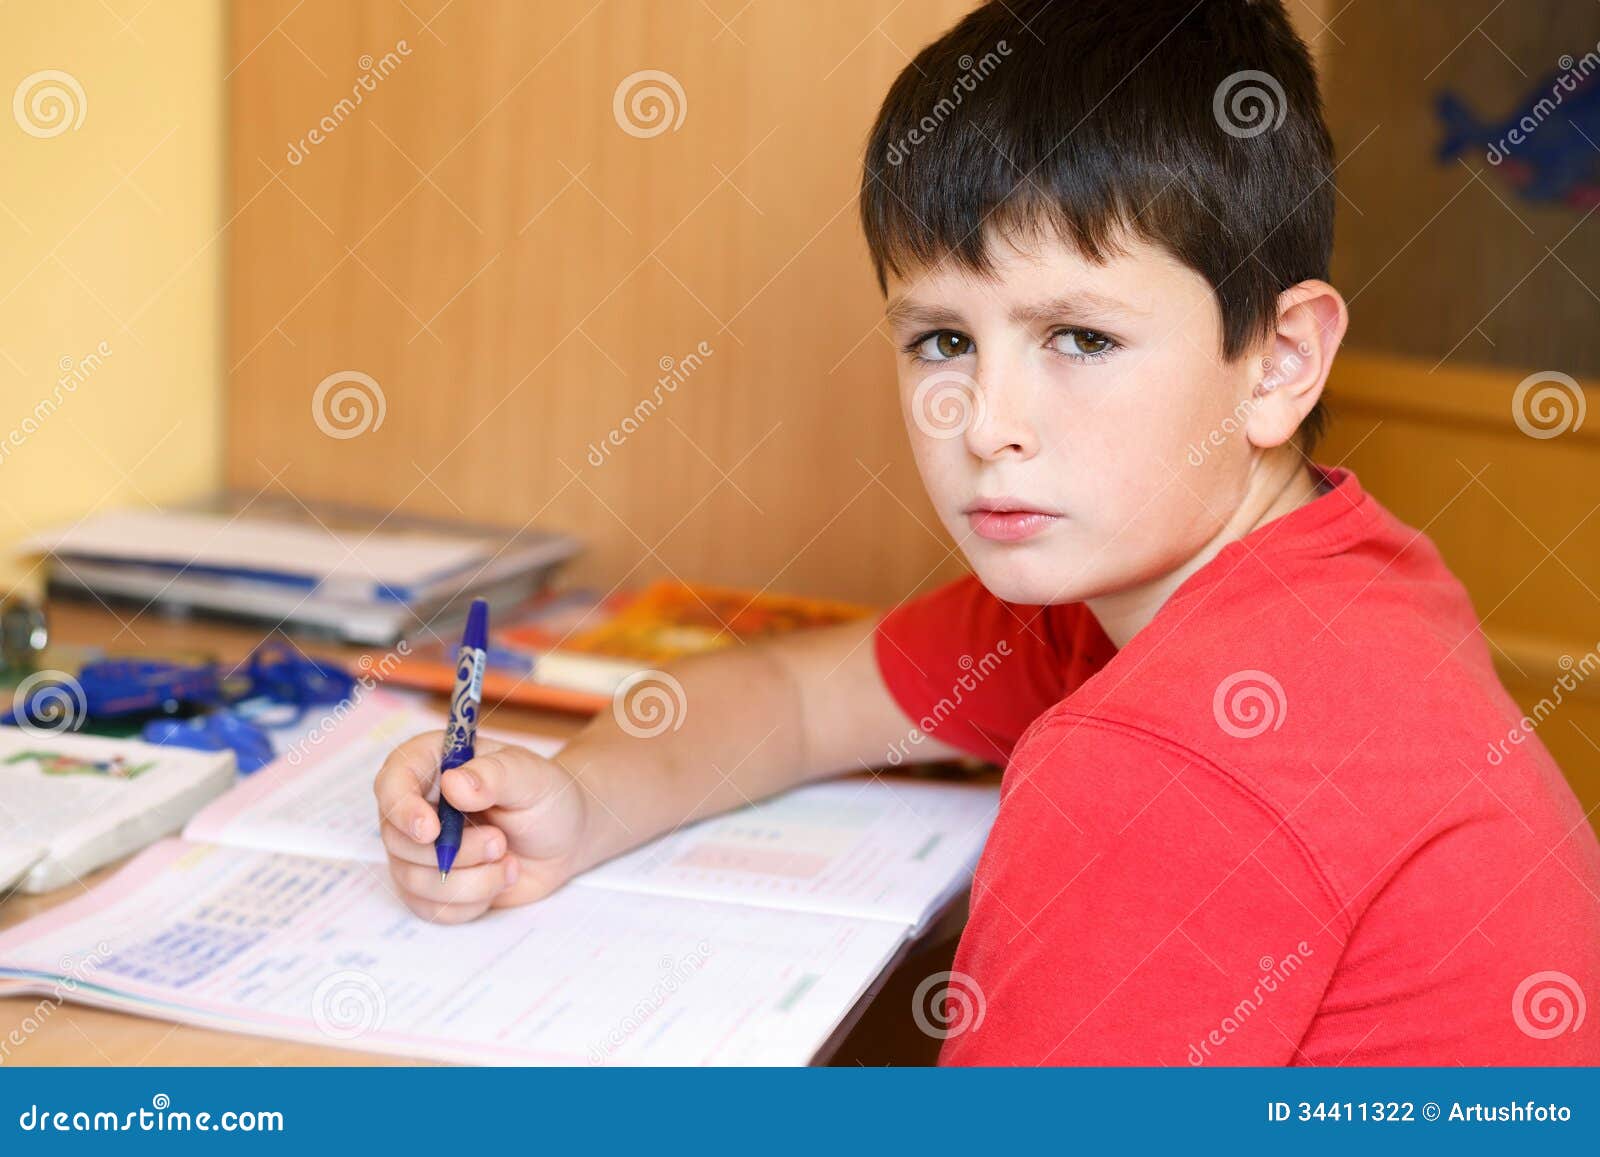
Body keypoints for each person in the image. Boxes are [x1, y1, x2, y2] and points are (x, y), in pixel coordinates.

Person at [374, 0, 1600, 1065]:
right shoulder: (1289, 566)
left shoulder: (1169, 754)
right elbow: (799, 697)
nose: (985, 423)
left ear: (1277, 361)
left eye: (1080, 338)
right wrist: (576, 805)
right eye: (942, 340)